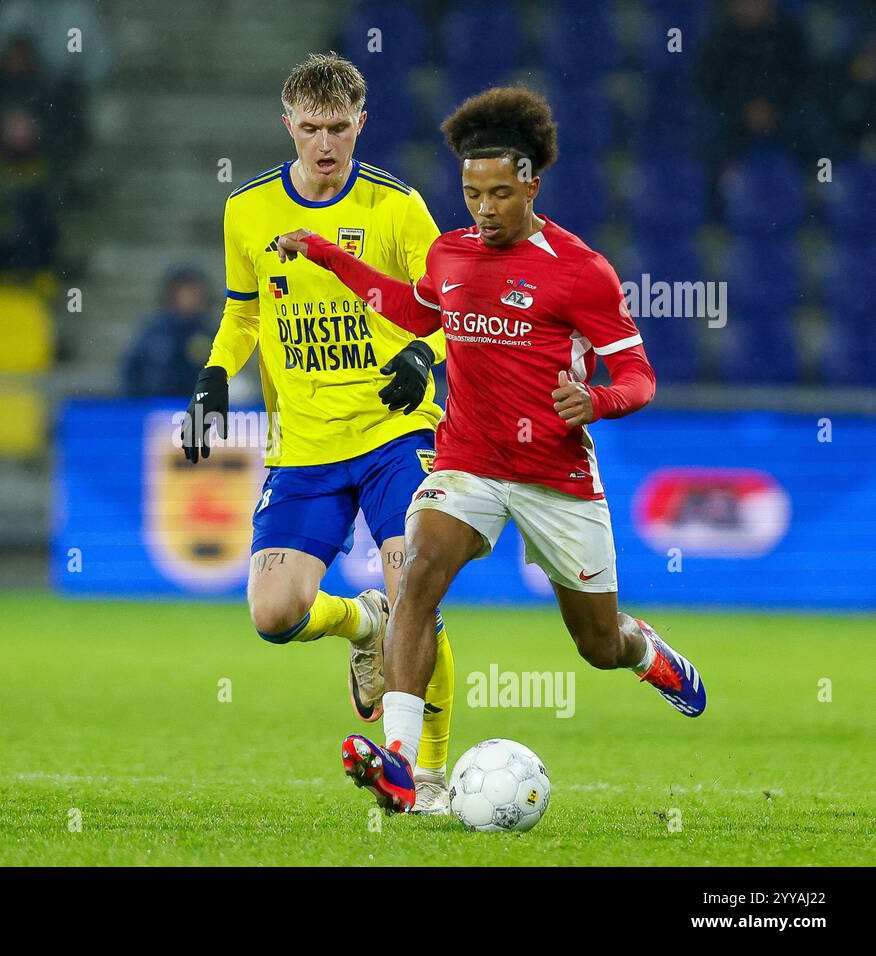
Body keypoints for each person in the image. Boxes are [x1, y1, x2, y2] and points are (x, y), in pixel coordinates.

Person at [275, 86, 706, 814]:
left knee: (596, 643)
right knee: (416, 574)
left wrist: (596, 401)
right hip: (468, 461)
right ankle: (404, 764)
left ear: (533, 182)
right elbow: (411, 310)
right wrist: (324, 255)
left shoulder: (580, 271)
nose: (484, 209)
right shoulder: (451, 254)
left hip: (555, 477)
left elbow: (639, 376)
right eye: (473, 194)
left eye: (501, 194)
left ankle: (648, 653)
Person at [182, 53, 456, 812]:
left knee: (418, 591)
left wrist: (420, 356)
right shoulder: (248, 210)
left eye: (339, 128)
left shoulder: (397, 209)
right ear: (288, 127)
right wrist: (213, 374)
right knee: (273, 615)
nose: (325, 145)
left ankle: (426, 775)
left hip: (394, 433)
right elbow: (244, 312)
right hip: (302, 443)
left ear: (360, 124)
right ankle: (361, 621)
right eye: (310, 129)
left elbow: (449, 309)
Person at [121, 267, 216, 398]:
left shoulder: (209, 332)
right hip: (156, 404)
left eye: (197, 292)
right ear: (174, 294)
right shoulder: (155, 331)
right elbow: (133, 370)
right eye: (188, 291)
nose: (194, 297)